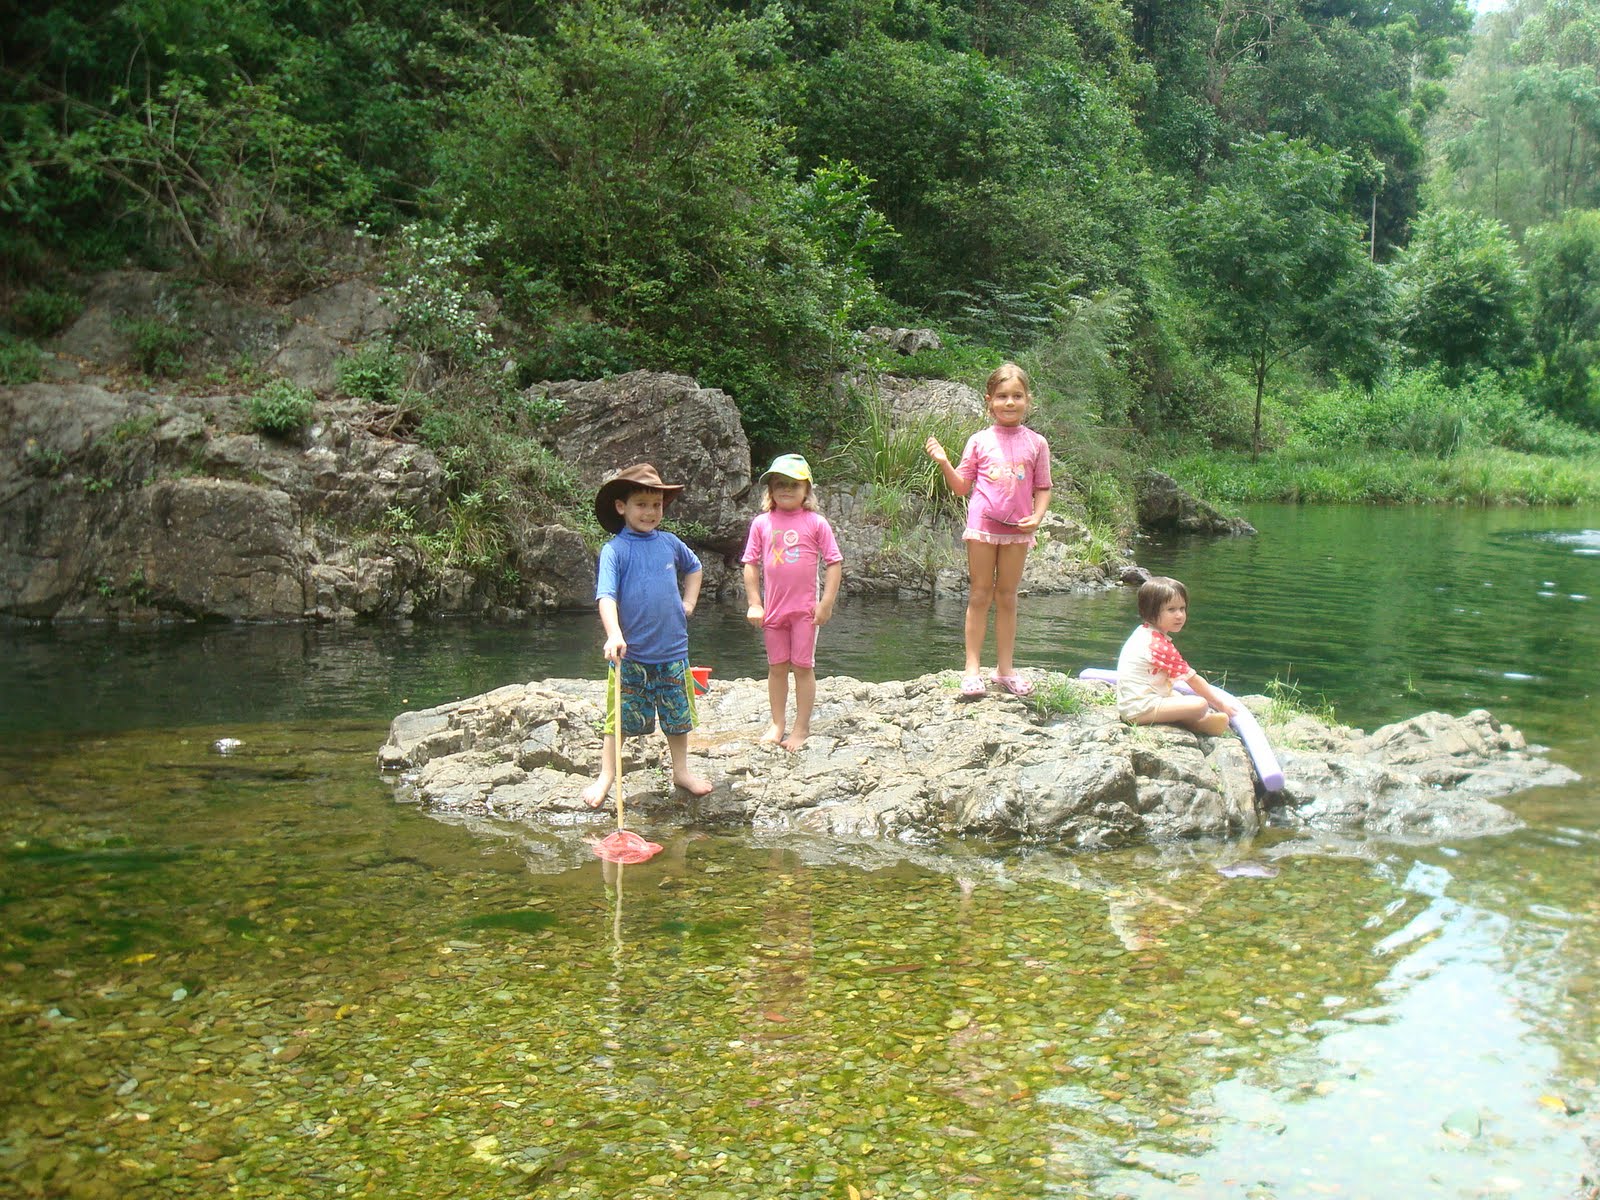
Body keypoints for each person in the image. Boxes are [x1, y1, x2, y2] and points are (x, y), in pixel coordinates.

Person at [582, 463, 714, 806]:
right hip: (632, 655)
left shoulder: (669, 543)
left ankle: (681, 770)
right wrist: (614, 634)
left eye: (656, 505)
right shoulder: (615, 550)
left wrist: (688, 602)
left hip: (672, 650)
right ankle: (606, 777)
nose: (650, 512)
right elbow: (606, 597)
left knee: (678, 716)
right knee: (620, 721)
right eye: (641, 504)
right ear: (621, 507)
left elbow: (695, 568)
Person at [924, 362, 1052, 698]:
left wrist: (1037, 517)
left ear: (1028, 400)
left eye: (1017, 396)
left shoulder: (1037, 443)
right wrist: (943, 462)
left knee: (1008, 596)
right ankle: (971, 669)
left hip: (1017, 531)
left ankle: (1005, 670)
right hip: (981, 527)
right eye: (1002, 396)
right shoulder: (979, 440)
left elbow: (1043, 487)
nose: (1009, 402)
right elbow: (961, 488)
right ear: (989, 401)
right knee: (981, 593)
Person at [741, 454, 844, 751]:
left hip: (805, 612)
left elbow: (834, 563)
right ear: (770, 490)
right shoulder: (762, 523)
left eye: (793, 484)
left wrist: (826, 603)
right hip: (773, 610)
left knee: (802, 667)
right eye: (779, 484)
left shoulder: (816, 523)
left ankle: (801, 728)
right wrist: (754, 602)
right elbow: (750, 563)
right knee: (776, 666)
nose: (786, 490)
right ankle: (777, 723)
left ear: (806, 490)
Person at [1115, 575, 1237, 736]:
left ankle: (1200, 722)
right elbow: (1192, 679)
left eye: (1182, 608)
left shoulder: (1144, 632)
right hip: (1139, 709)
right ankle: (1197, 723)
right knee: (1200, 704)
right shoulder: (1156, 645)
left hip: (1137, 703)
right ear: (1150, 612)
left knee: (1177, 695)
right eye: (1171, 610)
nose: (1179, 615)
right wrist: (1222, 705)